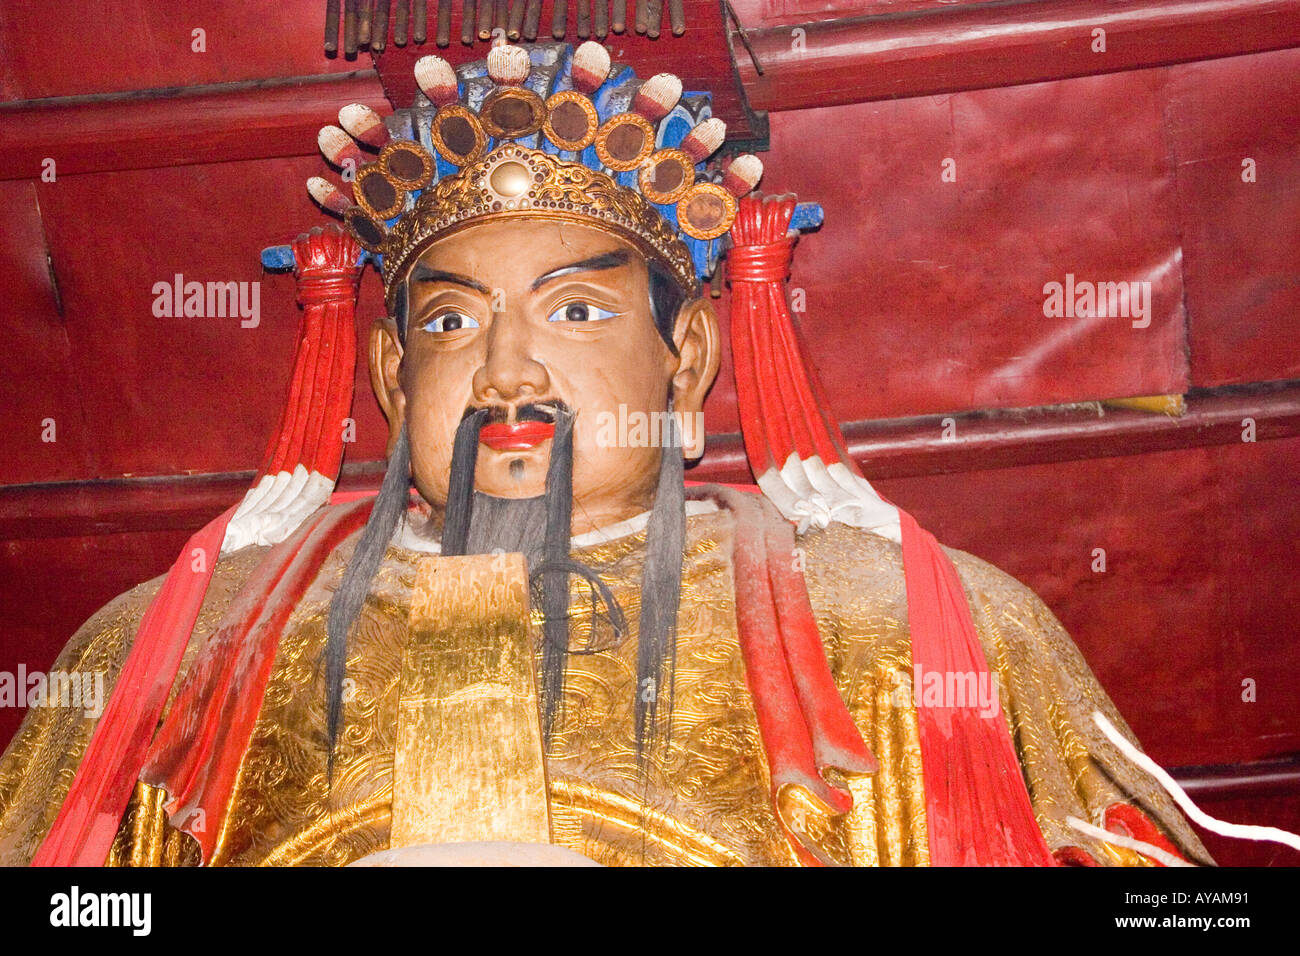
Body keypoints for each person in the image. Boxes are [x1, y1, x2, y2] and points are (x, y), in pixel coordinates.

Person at [0, 41, 1209, 867]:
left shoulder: (905, 620)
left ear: (684, 364)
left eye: (576, 313)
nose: (509, 371)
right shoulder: (167, 647)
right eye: (451, 321)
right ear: (385, 376)